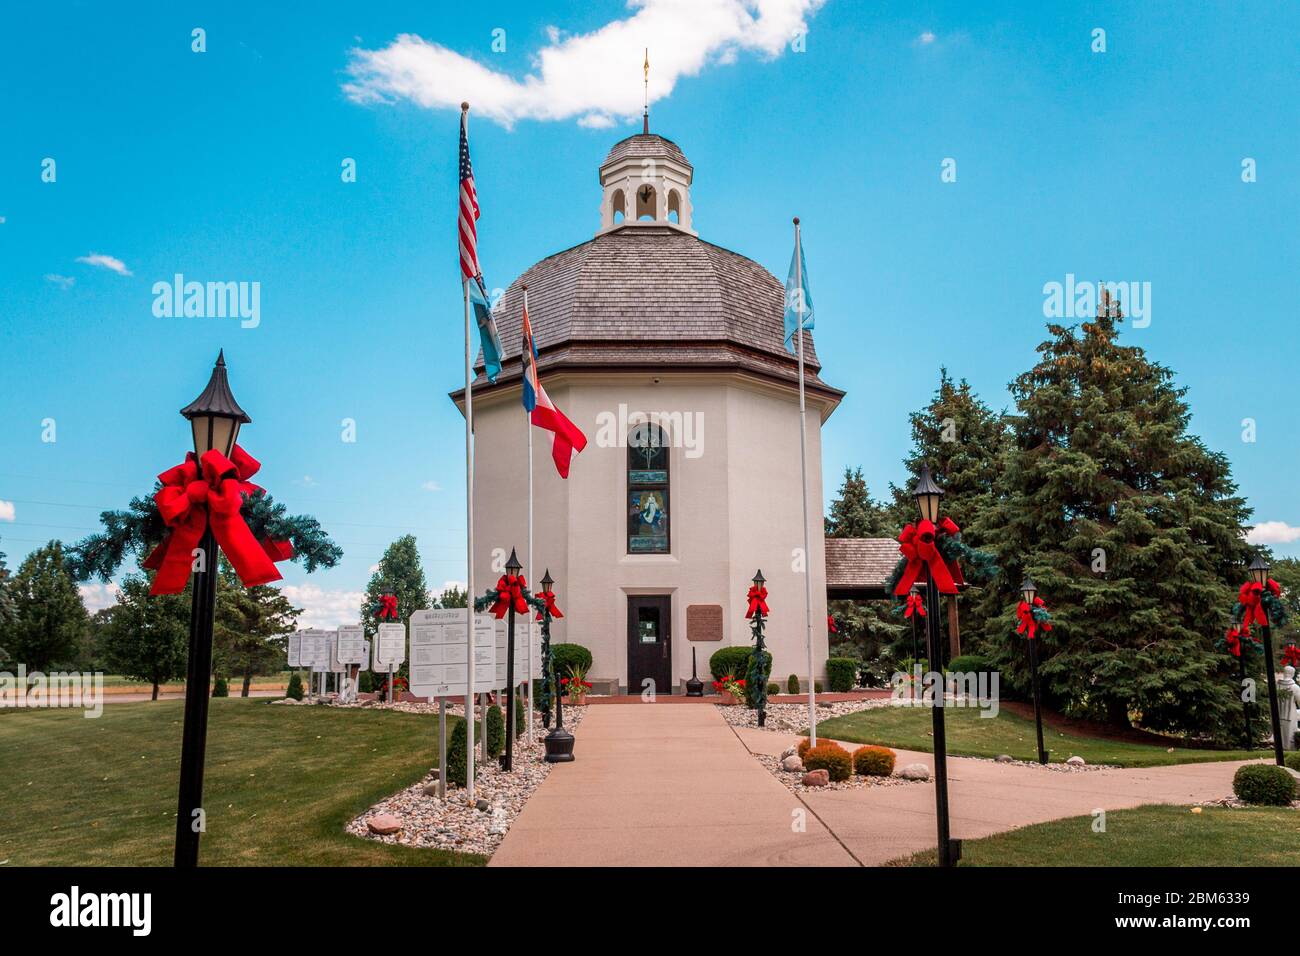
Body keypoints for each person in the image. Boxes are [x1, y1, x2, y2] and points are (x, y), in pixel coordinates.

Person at [1279, 665, 1300, 751]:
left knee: (1281, 734)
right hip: (1290, 714)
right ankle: (1290, 750)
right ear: (1292, 674)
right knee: (1290, 734)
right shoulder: (1295, 687)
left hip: (1278, 713)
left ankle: (1281, 748)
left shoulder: (1277, 685)